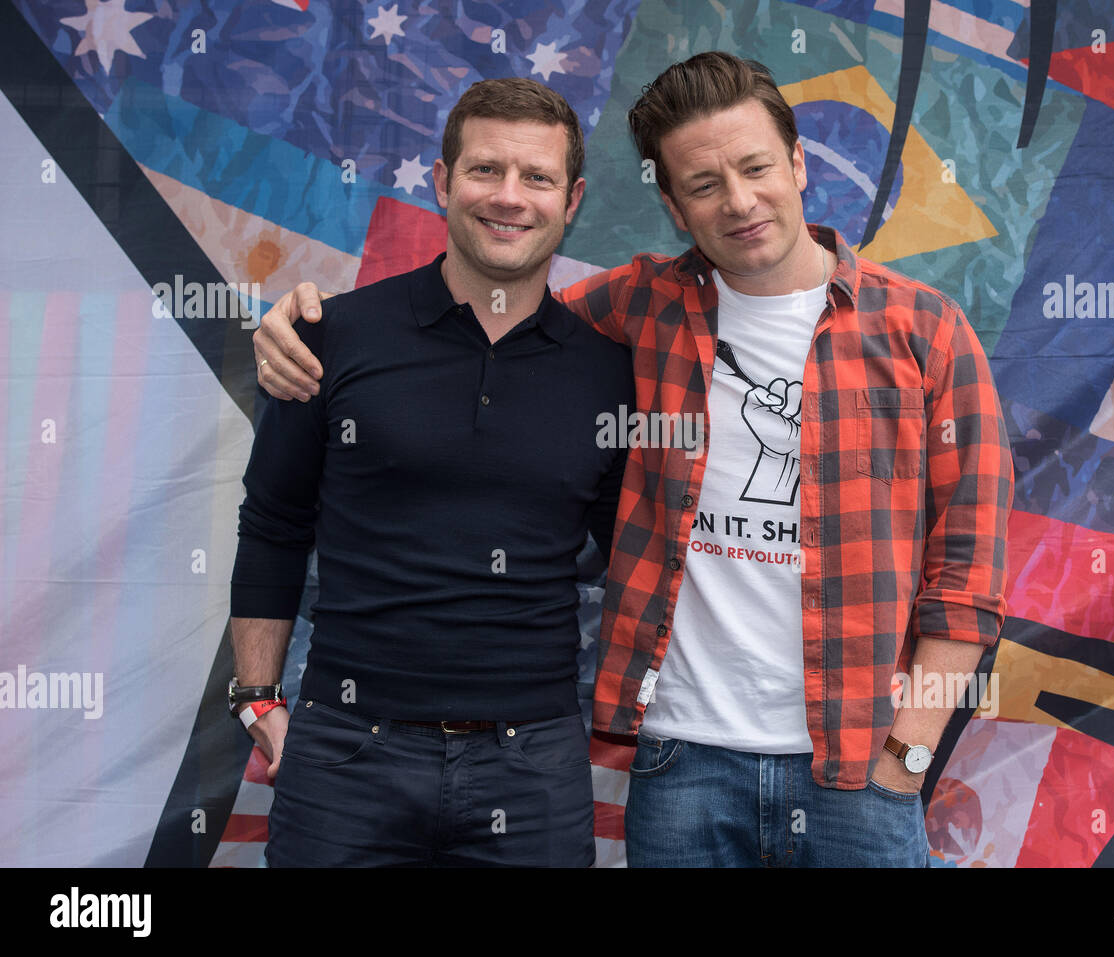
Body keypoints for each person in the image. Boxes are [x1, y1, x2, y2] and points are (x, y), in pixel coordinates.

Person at [253, 52, 1014, 867]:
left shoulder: (924, 332)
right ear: (672, 204)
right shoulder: (638, 308)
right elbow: (482, 314)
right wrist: (308, 323)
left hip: (859, 770)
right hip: (681, 763)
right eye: (703, 184)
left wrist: (908, 757)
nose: (740, 201)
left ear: (797, 162)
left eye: (757, 167)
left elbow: (968, 574)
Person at [230, 77, 633, 867]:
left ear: (572, 198)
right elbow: (273, 522)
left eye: (537, 177)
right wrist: (256, 696)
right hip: (345, 753)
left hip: (534, 766)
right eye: (485, 170)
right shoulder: (329, 336)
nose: (510, 197)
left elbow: (642, 553)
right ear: (443, 182)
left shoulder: (611, 375)